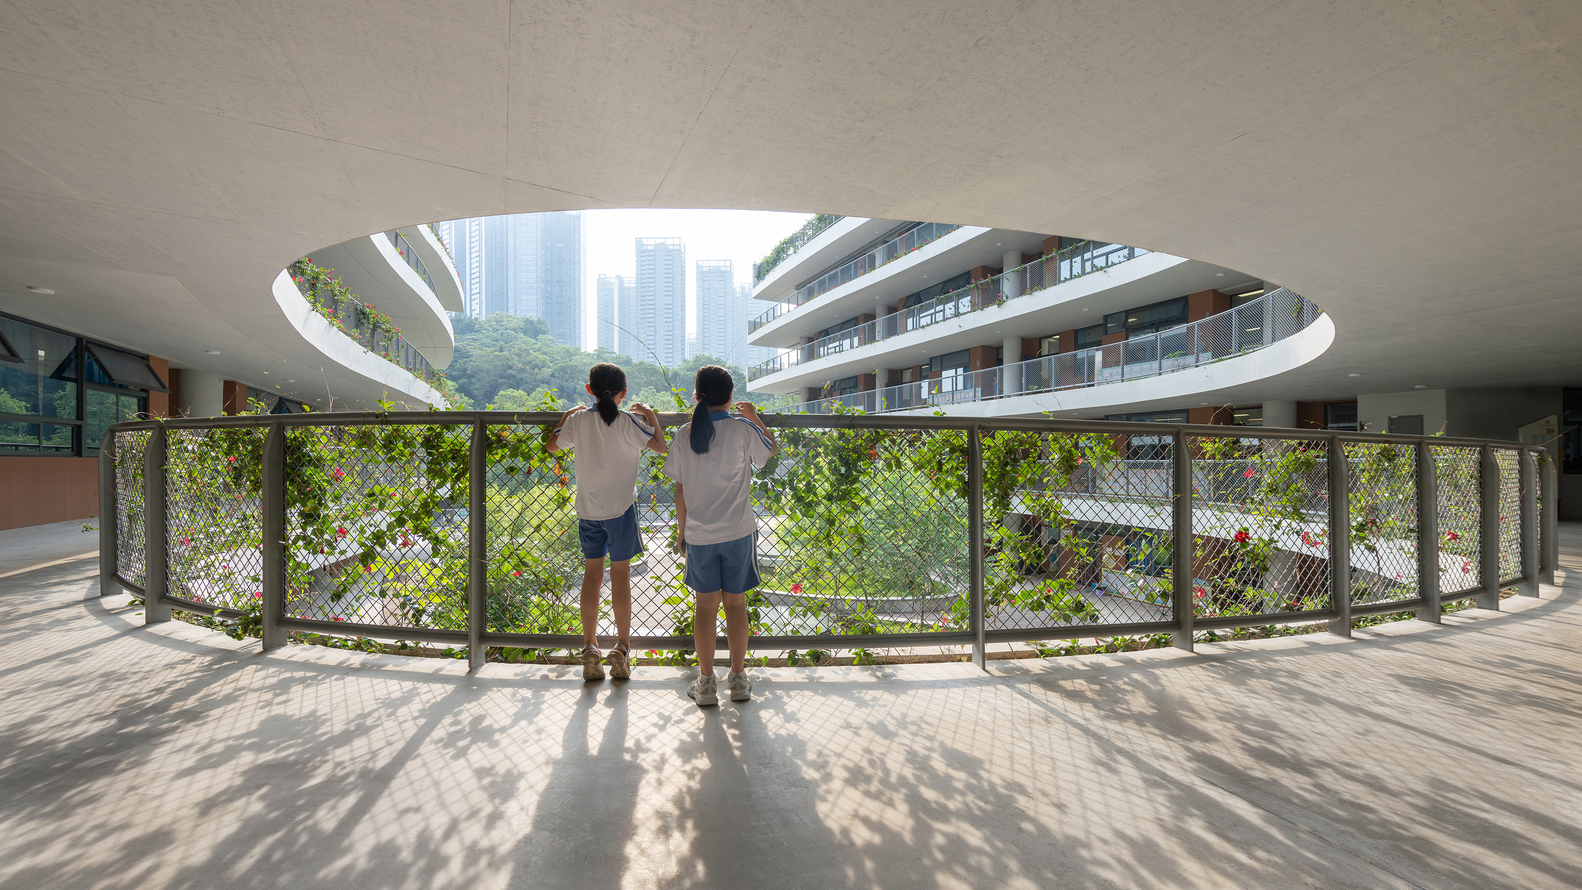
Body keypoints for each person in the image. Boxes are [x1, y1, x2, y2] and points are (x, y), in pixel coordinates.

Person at [662, 365, 776, 706]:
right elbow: (769, 449)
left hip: (700, 535)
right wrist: (753, 416)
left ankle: (707, 683)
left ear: (697, 396)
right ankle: (738, 680)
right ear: (730, 396)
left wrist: (682, 532)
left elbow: (679, 489)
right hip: (738, 533)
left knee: (705, 608)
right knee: (736, 605)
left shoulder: (684, 434)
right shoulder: (742, 429)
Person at [546, 363, 667, 681]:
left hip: (588, 510)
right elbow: (660, 447)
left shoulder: (577, 420)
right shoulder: (629, 421)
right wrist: (650, 415)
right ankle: (622, 647)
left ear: (590, 390)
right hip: (621, 510)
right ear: (623, 394)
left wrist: (564, 417)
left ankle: (590, 646)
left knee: (592, 576)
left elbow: (552, 446)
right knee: (620, 576)